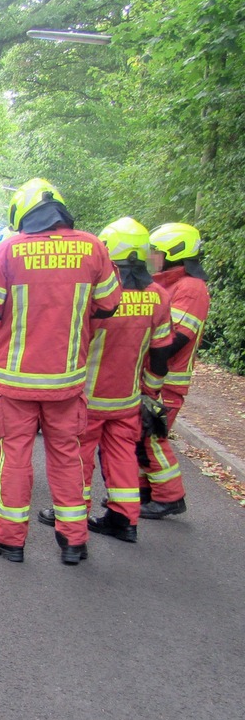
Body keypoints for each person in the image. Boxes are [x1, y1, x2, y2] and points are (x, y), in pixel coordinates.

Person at [0, 177, 122, 565]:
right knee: (67, 457)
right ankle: (74, 543)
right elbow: (108, 306)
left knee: (16, 457)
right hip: (67, 381)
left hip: (16, 381)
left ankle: (10, 540)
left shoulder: (9, 251)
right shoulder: (93, 247)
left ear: (22, 214)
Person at [36, 217, 172, 542]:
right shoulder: (159, 297)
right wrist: (149, 394)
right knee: (122, 455)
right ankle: (123, 520)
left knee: (78, 455)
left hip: (87, 397)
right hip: (127, 399)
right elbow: (161, 353)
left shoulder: (99, 294)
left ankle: (72, 515)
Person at [137, 222, 210, 519]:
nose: (151, 257)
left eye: (156, 252)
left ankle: (170, 497)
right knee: (139, 435)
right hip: (155, 377)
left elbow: (173, 339)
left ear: (174, 253)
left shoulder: (190, 289)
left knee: (152, 436)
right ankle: (144, 493)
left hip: (167, 380)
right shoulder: (170, 284)